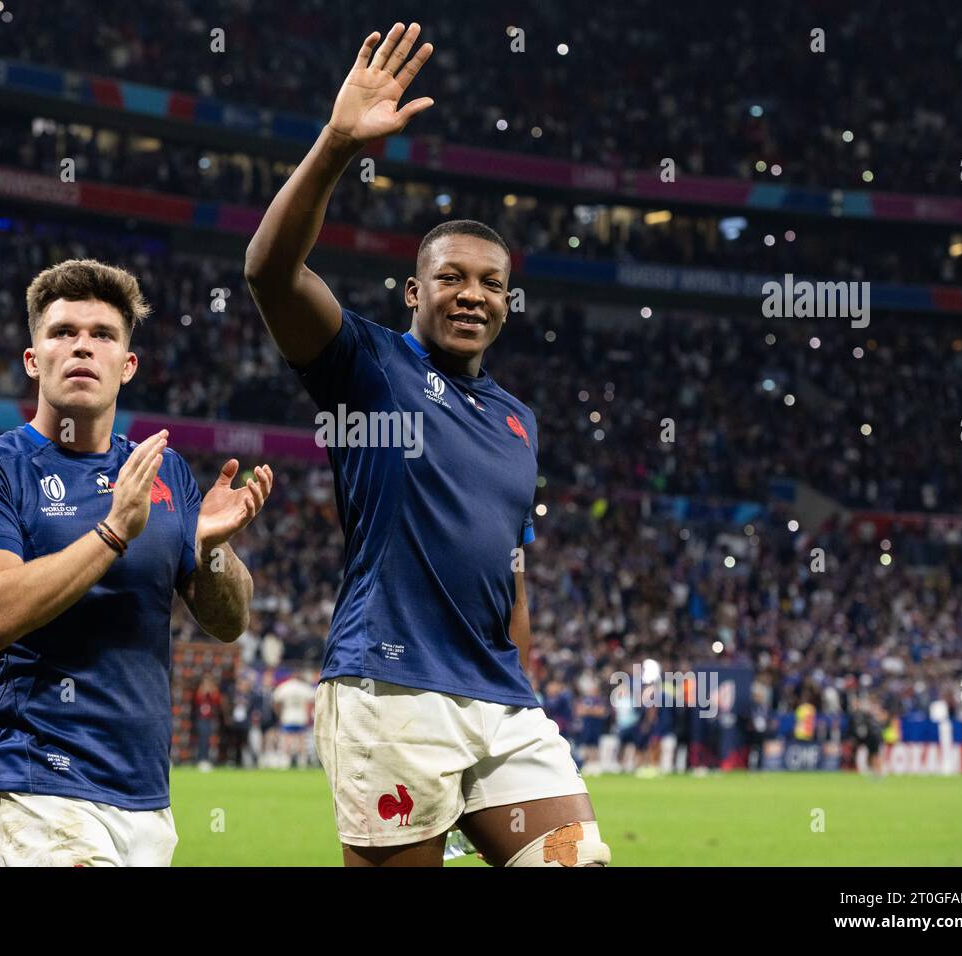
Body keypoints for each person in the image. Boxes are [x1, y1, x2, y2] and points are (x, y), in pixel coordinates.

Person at [244, 23, 609, 867]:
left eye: (491, 283)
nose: (471, 294)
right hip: (391, 689)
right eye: (451, 277)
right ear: (414, 290)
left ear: (510, 303)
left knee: (580, 862)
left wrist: (525, 676)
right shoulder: (370, 366)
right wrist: (338, 143)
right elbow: (268, 272)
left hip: (501, 701)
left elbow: (511, 571)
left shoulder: (521, 420)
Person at [0, 258, 274, 866]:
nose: (82, 347)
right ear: (34, 360)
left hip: (147, 796)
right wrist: (113, 531)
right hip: (40, 784)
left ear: (127, 365)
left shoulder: (163, 473)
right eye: (63, 333)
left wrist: (214, 549)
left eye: (103, 335)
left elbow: (228, 623)